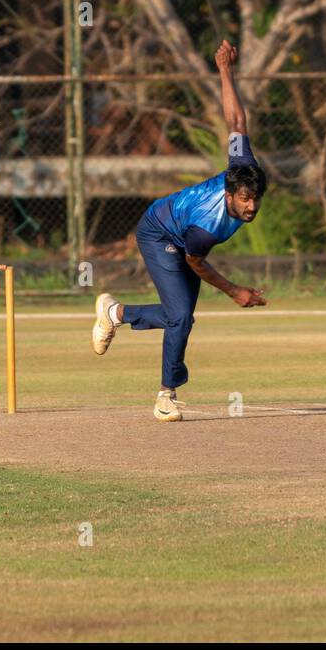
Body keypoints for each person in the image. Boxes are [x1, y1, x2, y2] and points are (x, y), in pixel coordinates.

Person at [91, 40, 268, 421]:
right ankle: (165, 396)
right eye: (243, 200)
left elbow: (237, 122)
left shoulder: (245, 169)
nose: (250, 207)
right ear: (229, 192)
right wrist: (235, 291)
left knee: (180, 316)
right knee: (181, 317)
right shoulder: (208, 226)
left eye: (255, 199)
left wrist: (224, 69)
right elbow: (196, 261)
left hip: (180, 232)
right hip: (159, 232)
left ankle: (115, 312)